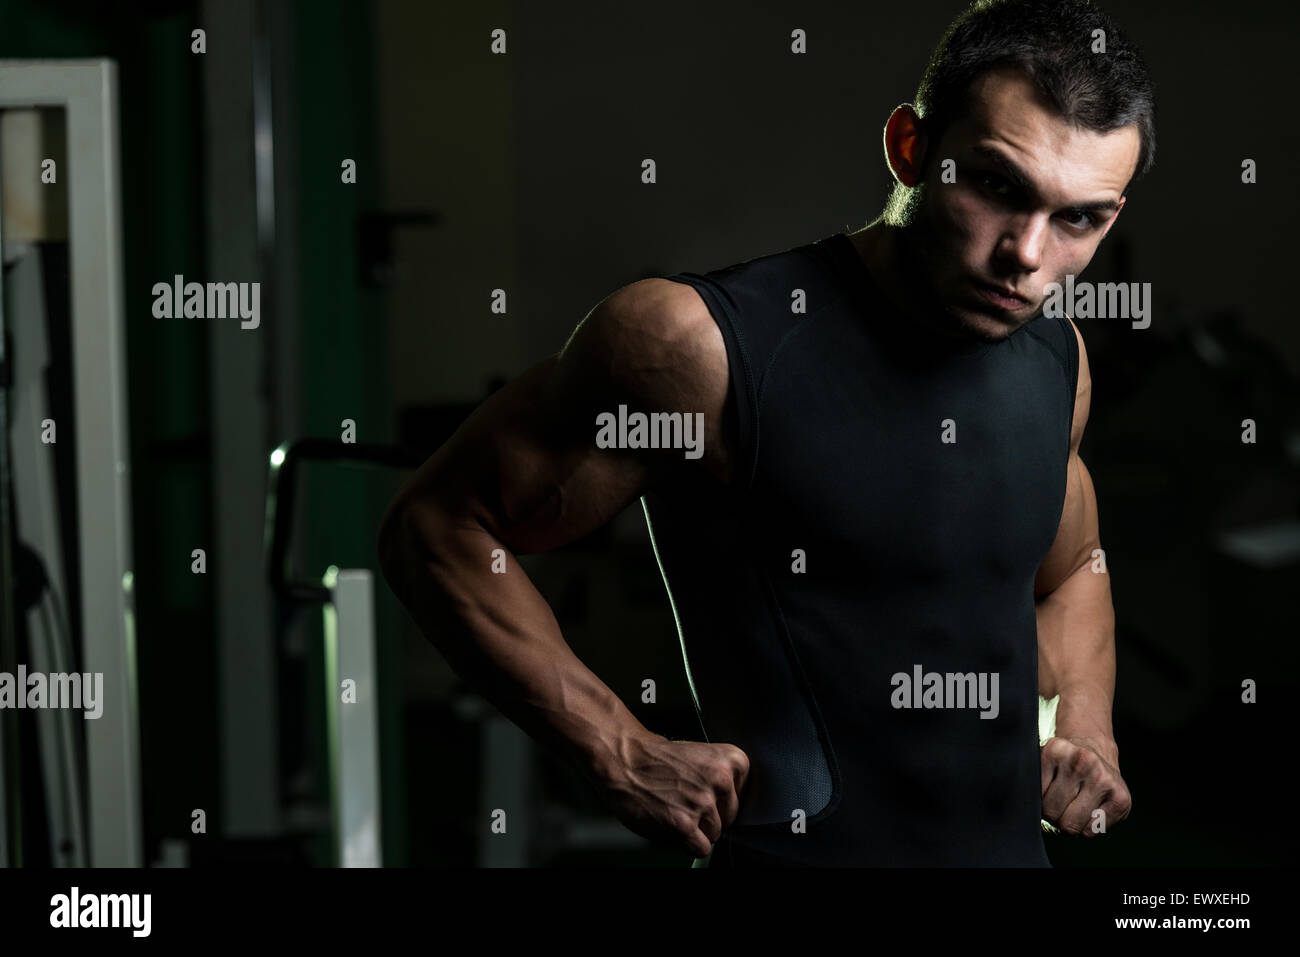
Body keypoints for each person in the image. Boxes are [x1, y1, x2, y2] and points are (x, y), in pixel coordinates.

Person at [377, 0, 1144, 866]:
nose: (1028, 256)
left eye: (1078, 217)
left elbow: (1073, 567)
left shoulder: (1055, 359)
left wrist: (1085, 726)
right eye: (1000, 186)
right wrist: (617, 748)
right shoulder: (695, 344)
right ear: (912, 147)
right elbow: (435, 528)